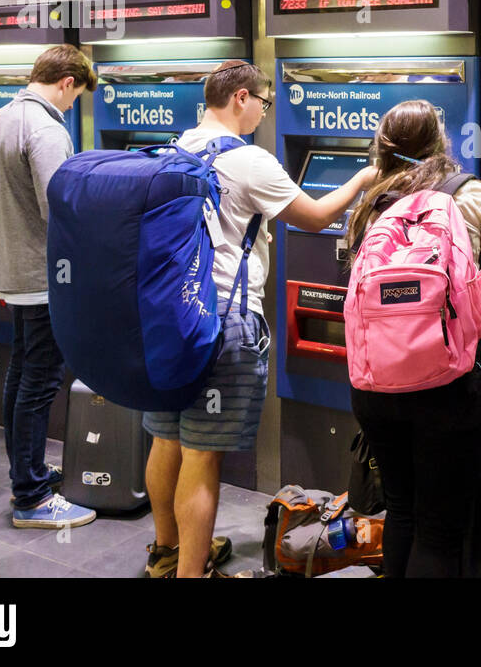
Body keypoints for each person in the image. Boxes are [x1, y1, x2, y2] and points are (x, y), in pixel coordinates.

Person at [143, 60, 377, 578]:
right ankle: (192, 573)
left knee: (167, 439)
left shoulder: (176, 147)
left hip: (170, 318)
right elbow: (315, 216)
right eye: (265, 104)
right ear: (242, 98)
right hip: (224, 323)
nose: (265, 115)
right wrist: (362, 177)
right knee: (203, 456)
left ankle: (166, 551)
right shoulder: (250, 160)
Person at [345, 99, 481, 577]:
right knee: (441, 529)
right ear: (440, 142)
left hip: (376, 386)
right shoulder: (468, 195)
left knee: (402, 511)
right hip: (450, 387)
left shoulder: (370, 202)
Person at [0, 44, 98, 528]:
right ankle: (30, 497)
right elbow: (61, 210)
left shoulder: (3, 117)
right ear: (67, 82)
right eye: (75, 97)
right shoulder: (47, 128)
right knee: (40, 379)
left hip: (14, 269)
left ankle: (24, 470)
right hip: (44, 276)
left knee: (22, 373)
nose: (72, 106)